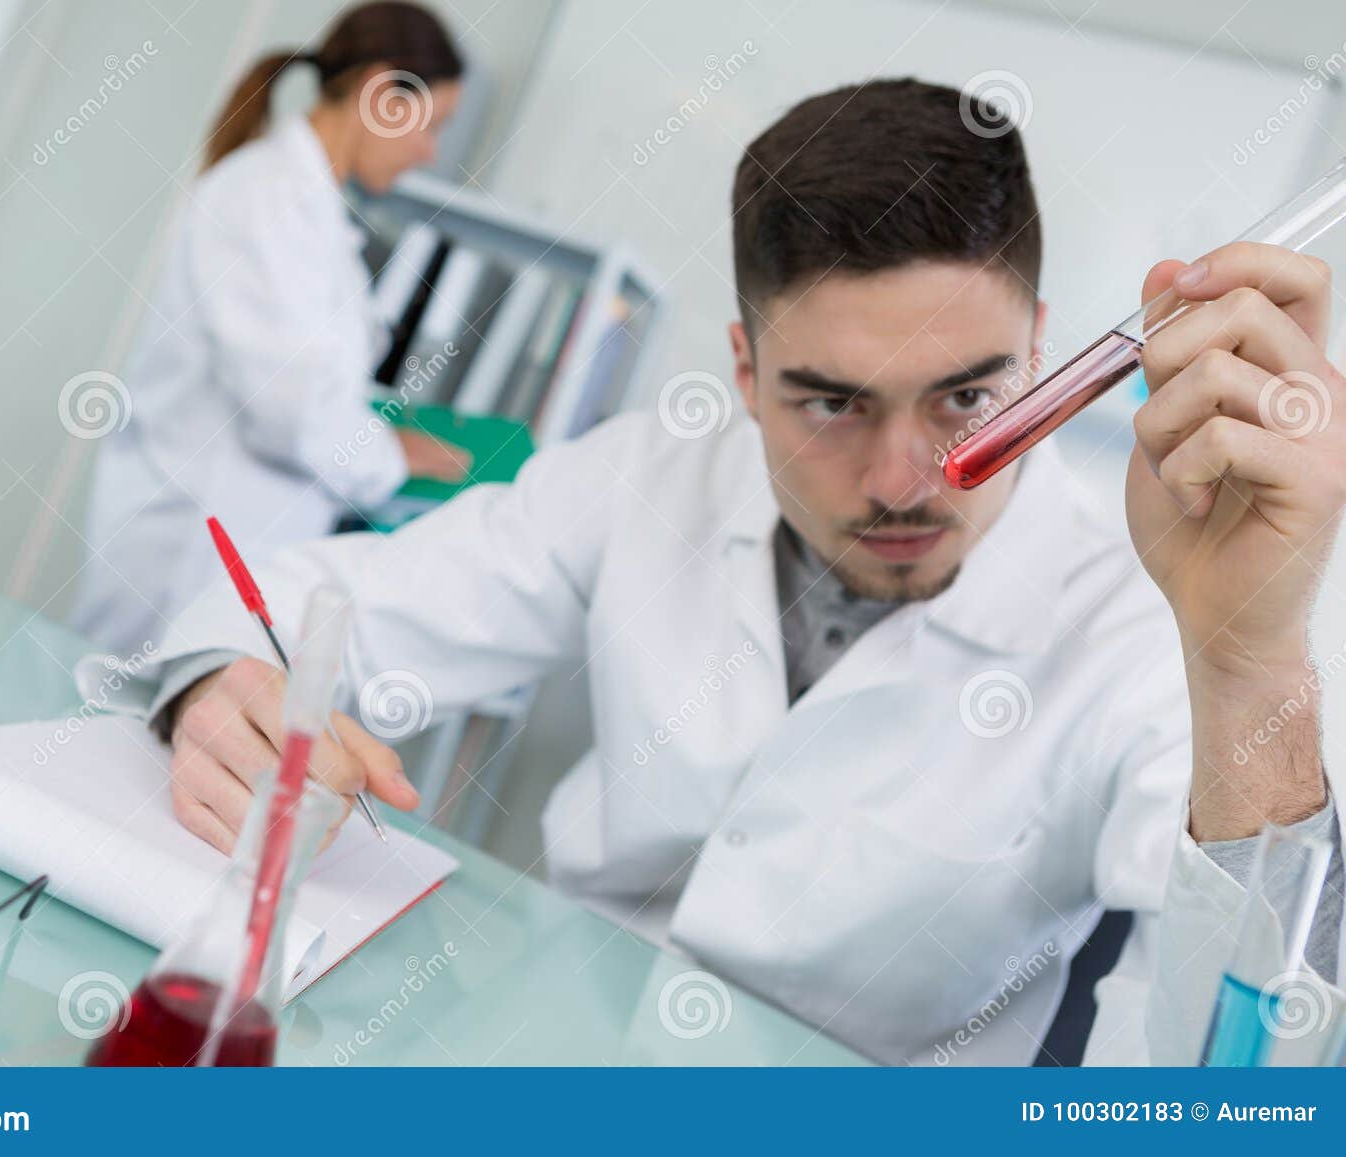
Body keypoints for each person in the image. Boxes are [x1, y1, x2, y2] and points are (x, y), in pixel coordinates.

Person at [83, 80, 1345, 1064]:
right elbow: (310, 606)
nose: (907, 477)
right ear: (743, 373)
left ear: (1040, 353)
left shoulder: (1146, 617)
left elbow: (1235, 1081)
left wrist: (1245, 668)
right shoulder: (657, 470)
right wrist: (213, 681)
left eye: (967, 398)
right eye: (831, 402)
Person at [71, 1, 473, 654]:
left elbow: (311, 385)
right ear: (382, 94)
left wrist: (378, 437)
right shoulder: (263, 199)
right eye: (433, 127)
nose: (428, 154)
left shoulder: (309, 213)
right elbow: (291, 410)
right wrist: (386, 454)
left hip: (227, 560)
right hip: (186, 561)